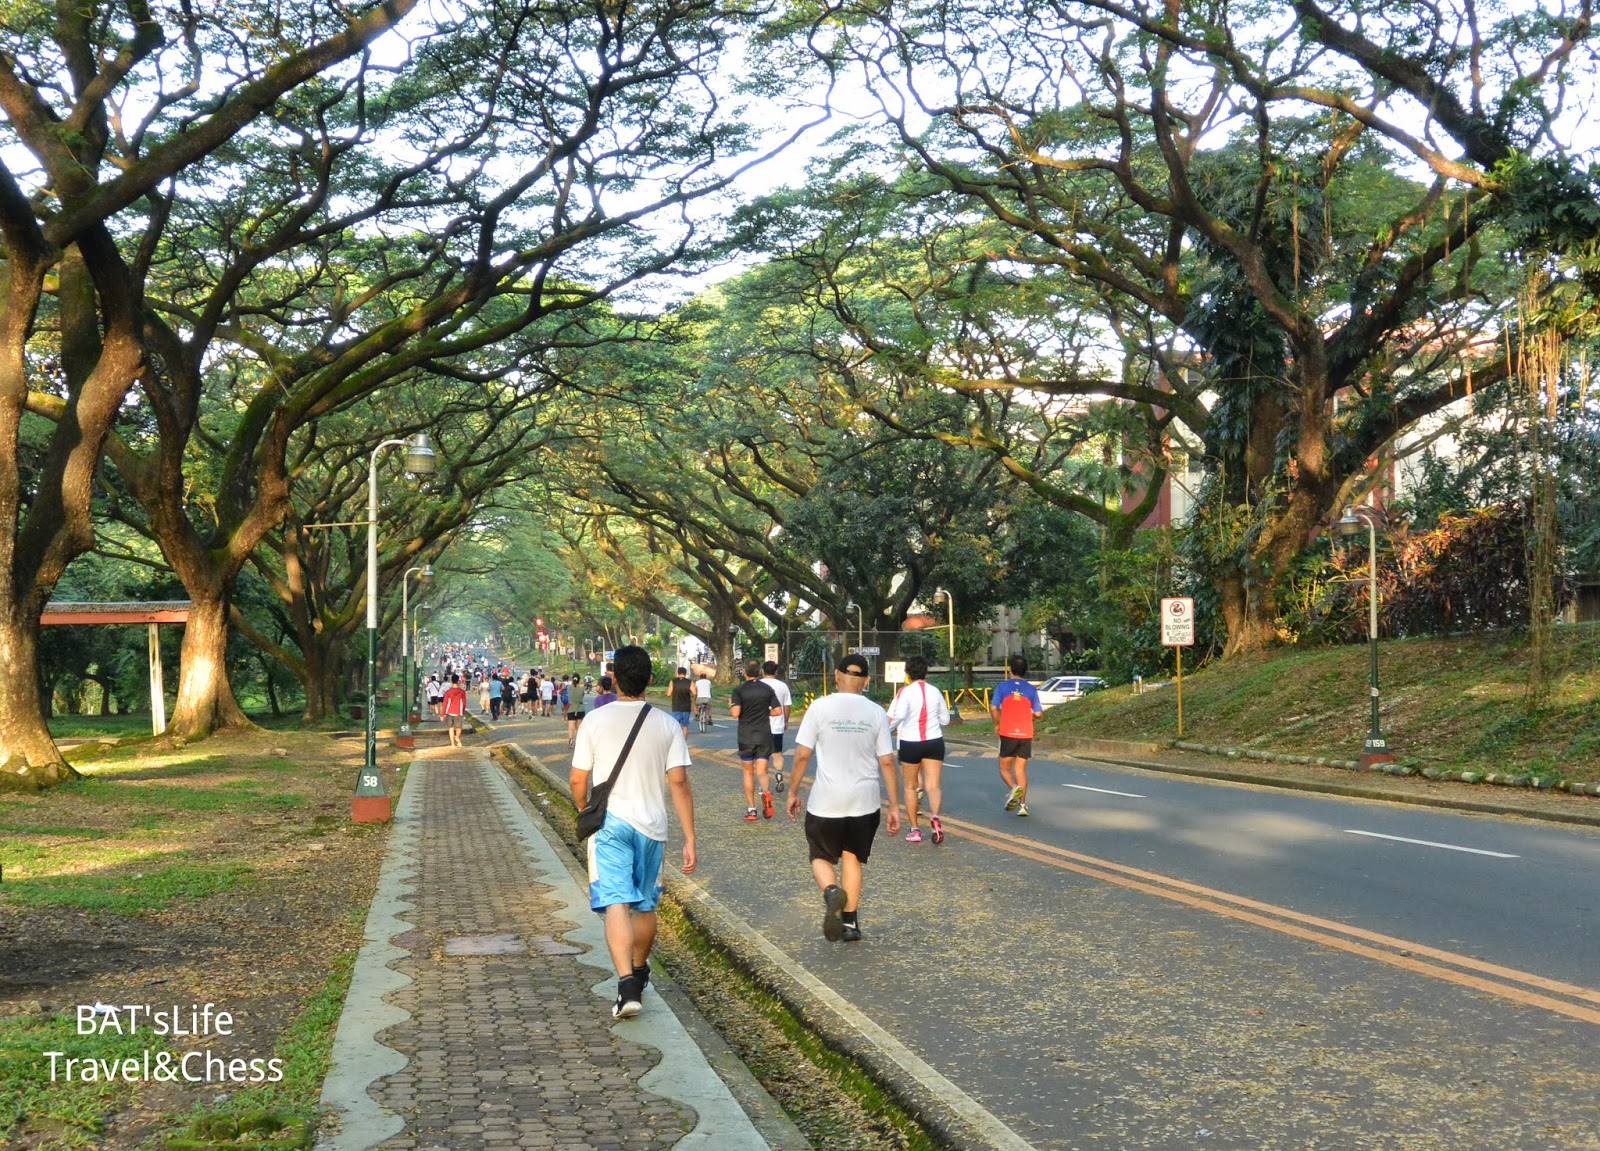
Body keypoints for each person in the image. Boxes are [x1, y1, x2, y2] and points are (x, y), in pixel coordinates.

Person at [569, 645, 696, 1019]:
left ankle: (627, 986)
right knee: (644, 904)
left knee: (615, 903)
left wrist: (582, 809)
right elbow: (679, 783)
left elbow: (578, 779)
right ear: (651, 680)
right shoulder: (667, 724)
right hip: (652, 827)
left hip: (609, 825)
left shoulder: (595, 720)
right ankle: (639, 973)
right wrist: (690, 837)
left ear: (613, 677)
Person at [785, 652, 900, 942]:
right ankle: (850, 924)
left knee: (820, 855)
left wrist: (793, 791)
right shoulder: (876, 712)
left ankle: (831, 891)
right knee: (853, 857)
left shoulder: (819, 707)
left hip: (827, 800)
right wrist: (895, 806)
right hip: (865, 800)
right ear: (867, 681)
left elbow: (802, 754)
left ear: (836, 676)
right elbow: (887, 761)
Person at [886, 655, 951, 843]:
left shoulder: (904, 693)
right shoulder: (935, 691)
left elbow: (898, 716)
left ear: (907, 673)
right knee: (933, 785)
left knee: (910, 786)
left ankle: (915, 829)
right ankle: (936, 816)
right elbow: (945, 719)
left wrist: (887, 730)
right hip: (934, 741)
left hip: (910, 742)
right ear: (926, 672)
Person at [989, 654, 1043, 817]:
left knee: (1004, 768)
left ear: (1009, 670)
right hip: (1026, 733)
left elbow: (993, 707)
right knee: (1020, 769)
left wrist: (997, 724)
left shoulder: (1003, 687)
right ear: (1025, 671)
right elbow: (1039, 713)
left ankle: (1014, 788)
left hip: (1008, 732)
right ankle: (1023, 806)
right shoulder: (1031, 689)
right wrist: (1029, 717)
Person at [728, 660, 781, 821]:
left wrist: (731, 705)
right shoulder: (767, 689)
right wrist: (765, 714)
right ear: (759, 671)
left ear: (745, 672)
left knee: (748, 772)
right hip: (764, 735)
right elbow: (778, 711)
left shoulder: (739, 690)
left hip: (746, 736)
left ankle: (752, 810)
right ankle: (766, 794)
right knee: (762, 771)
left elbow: (735, 713)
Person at [760, 660, 794, 793]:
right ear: (776, 671)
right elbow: (787, 706)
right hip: (777, 726)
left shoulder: (759, 685)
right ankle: (779, 773)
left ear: (762, 671)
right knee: (777, 753)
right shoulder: (782, 686)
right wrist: (786, 721)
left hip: (760, 726)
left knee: (761, 756)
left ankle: (763, 785)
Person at [441, 672, 468, 747]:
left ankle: (452, 744)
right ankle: (457, 737)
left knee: (451, 728)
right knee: (459, 728)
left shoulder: (448, 692)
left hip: (449, 712)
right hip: (458, 712)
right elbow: (464, 703)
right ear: (458, 681)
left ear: (451, 681)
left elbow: (445, 703)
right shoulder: (462, 692)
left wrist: (442, 714)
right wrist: (463, 711)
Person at [668, 666, 695, 737]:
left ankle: (676, 742)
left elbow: (668, 694)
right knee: (685, 726)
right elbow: (694, 693)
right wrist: (694, 698)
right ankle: (684, 743)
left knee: (675, 725)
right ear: (685, 674)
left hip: (676, 706)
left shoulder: (673, 681)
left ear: (678, 673)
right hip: (686, 707)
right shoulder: (690, 682)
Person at [566, 673, 589, 749]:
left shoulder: (569, 688)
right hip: (580, 708)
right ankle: (580, 742)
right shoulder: (582, 689)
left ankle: (571, 741)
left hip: (571, 709)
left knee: (571, 727)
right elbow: (582, 696)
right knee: (579, 727)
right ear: (579, 680)